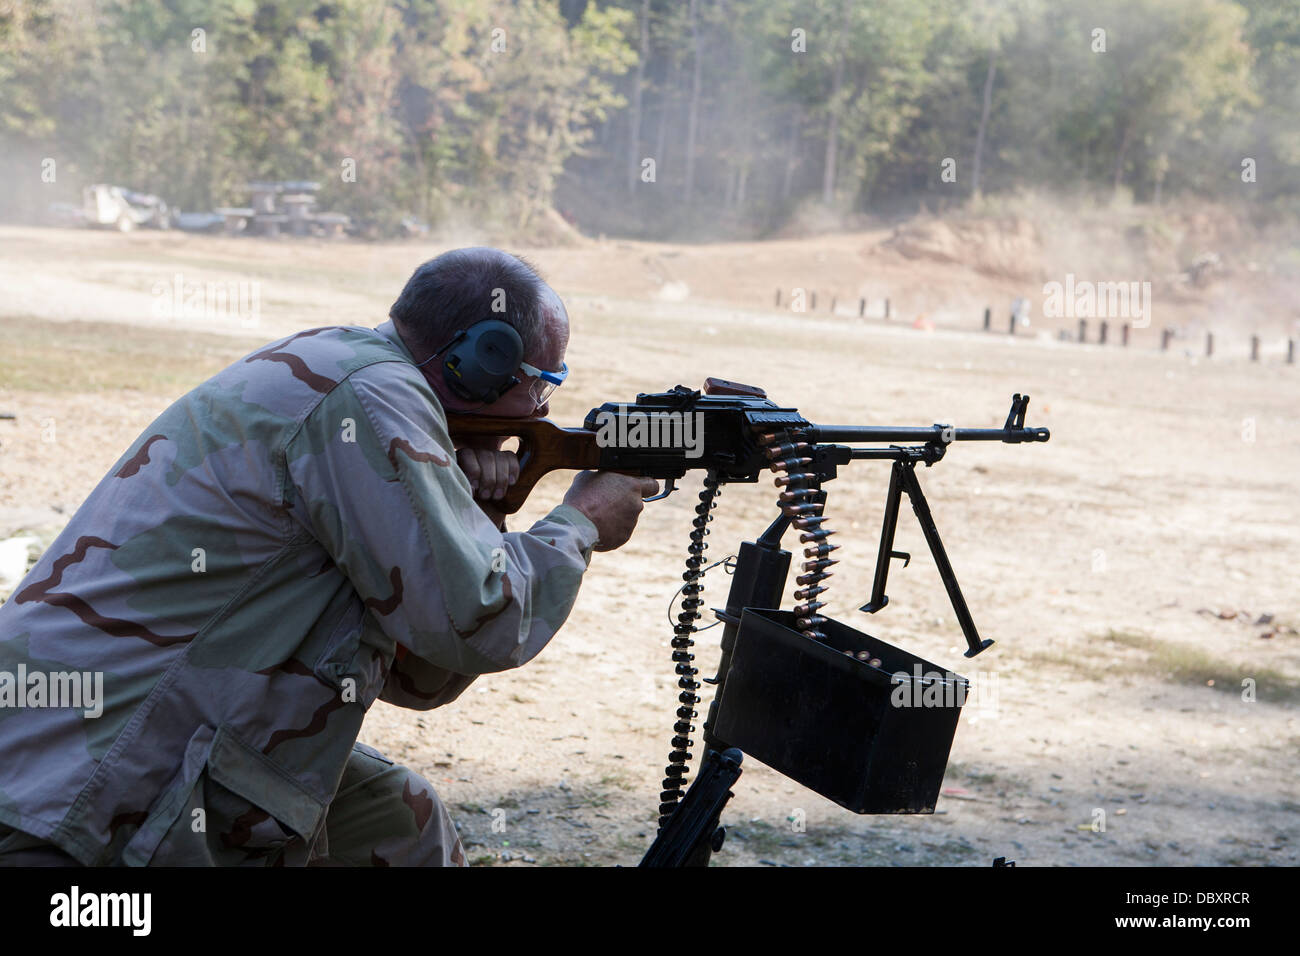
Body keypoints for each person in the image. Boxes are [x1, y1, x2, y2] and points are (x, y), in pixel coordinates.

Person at [0, 247, 655, 866]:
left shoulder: (349, 368)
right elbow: (478, 623)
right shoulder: (372, 398)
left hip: (114, 727)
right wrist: (578, 524)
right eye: (544, 380)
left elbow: (420, 678)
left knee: (403, 825)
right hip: (79, 784)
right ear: (482, 360)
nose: (546, 405)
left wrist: (480, 512)